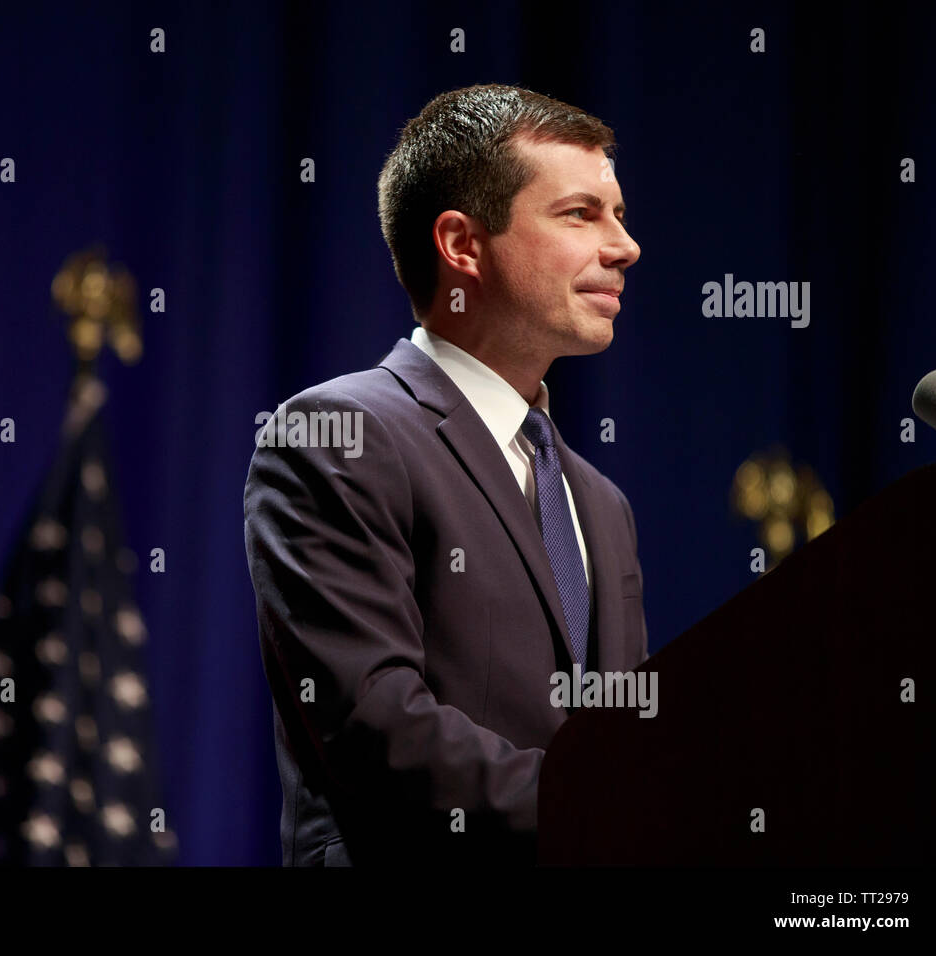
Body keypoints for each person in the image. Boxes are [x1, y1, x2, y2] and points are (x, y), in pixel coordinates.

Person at [243, 84, 648, 866]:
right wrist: (613, 815)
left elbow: (620, 738)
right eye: (580, 214)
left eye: (620, 215)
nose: (624, 246)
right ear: (462, 246)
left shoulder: (602, 503)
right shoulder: (338, 436)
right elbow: (376, 727)